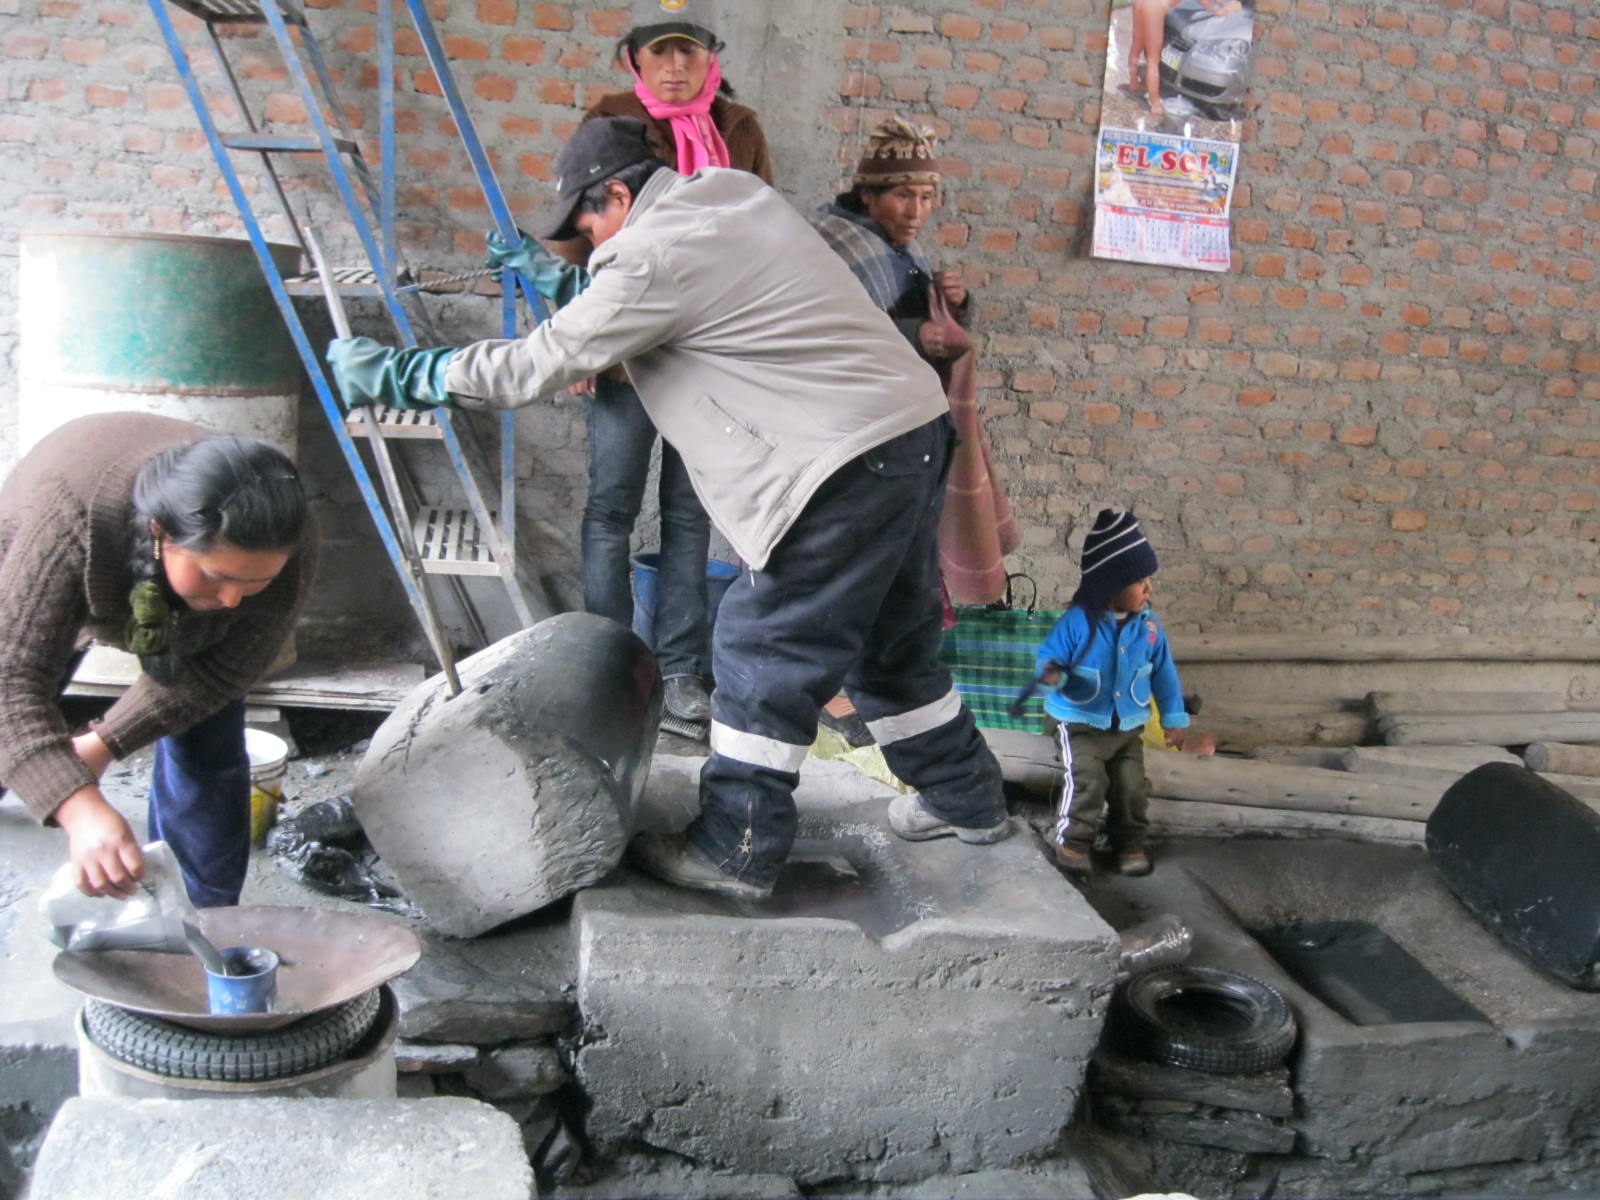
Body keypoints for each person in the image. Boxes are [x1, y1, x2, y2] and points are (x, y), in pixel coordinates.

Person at [327, 116, 1010, 901]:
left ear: (618, 194)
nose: (583, 243)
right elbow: (653, 302)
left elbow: (534, 366)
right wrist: (565, 288)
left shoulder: (651, 255)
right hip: (909, 433)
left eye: (584, 225)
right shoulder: (730, 198)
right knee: (892, 646)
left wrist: (406, 373)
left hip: (844, 460)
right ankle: (968, 799)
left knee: (762, 649)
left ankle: (736, 848)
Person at [496, 0, 774, 735]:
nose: (676, 68)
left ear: (710, 60)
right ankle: (606, 660)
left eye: (690, 53)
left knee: (690, 515)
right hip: (621, 353)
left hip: (706, 356)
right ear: (636, 62)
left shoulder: (739, 129)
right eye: (661, 54)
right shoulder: (610, 116)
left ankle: (680, 673)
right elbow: (576, 232)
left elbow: (759, 229)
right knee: (611, 510)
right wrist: (572, 338)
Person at [0, 414, 314, 906]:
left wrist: (103, 743)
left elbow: (216, 674)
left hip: (177, 602)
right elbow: (9, 683)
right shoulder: (66, 517)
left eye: (255, 584)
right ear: (161, 534)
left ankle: (199, 918)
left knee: (209, 746)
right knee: (18, 720)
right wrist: (78, 807)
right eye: (215, 575)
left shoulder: (284, 542)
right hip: (72, 542)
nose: (234, 599)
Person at [1035, 510, 1190, 879]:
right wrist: (1054, 676)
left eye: (1148, 579)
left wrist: (1173, 717)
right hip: (1079, 723)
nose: (1149, 588)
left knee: (1132, 787)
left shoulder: (1150, 628)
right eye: (1139, 581)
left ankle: (1130, 843)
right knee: (1088, 780)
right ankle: (1072, 843)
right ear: (1109, 584)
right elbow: (1047, 660)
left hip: (1127, 727)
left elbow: (1164, 673)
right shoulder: (1076, 623)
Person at [1127, 0, 1241, 117]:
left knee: (1136, 46)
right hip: (1155, 6)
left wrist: (1220, 5)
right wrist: (1216, 10)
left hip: (1141, 2)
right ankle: (1155, 104)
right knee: (1153, 60)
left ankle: (1134, 83)